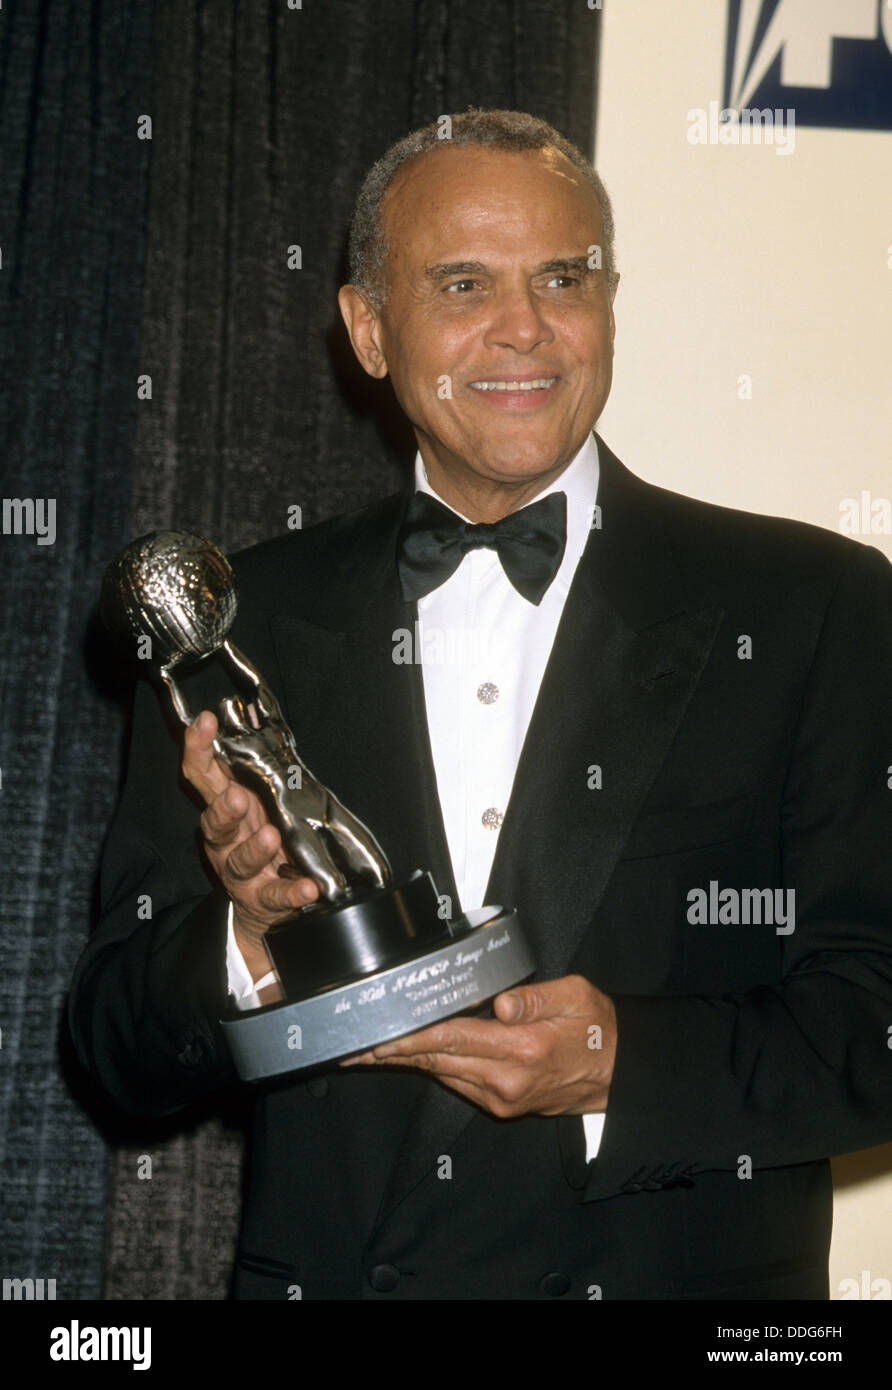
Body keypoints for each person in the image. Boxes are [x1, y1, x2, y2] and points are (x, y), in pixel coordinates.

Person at [69, 109, 892, 1300]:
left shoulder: (819, 605)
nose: (525, 328)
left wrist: (620, 1065)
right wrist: (251, 935)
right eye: (463, 283)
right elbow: (111, 1051)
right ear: (366, 326)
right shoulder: (236, 624)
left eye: (564, 277)